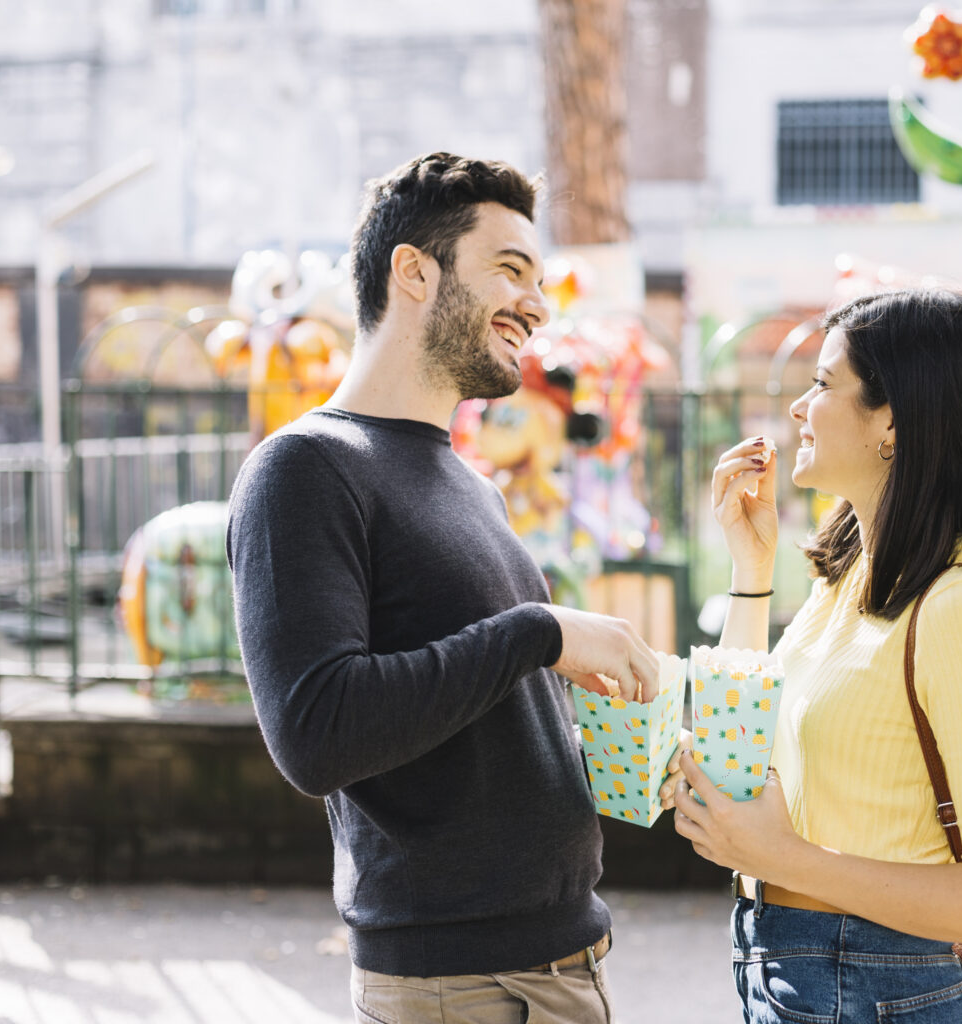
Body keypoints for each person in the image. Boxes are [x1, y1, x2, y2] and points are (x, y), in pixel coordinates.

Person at [226, 152, 662, 1024]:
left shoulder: (469, 484)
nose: (536, 304)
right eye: (510, 271)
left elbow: (472, 726)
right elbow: (316, 733)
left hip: (562, 959)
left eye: (538, 280)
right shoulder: (304, 469)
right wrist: (539, 634)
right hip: (459, 987)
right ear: (415, 271)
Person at [669, 289, 962, 1023]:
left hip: (880, 986)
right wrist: (750, 573)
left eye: (823, 385)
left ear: (893, 421)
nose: (798, 408)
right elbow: (745, 737)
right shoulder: (857, 572)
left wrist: (781, 858)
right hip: (790, 965)